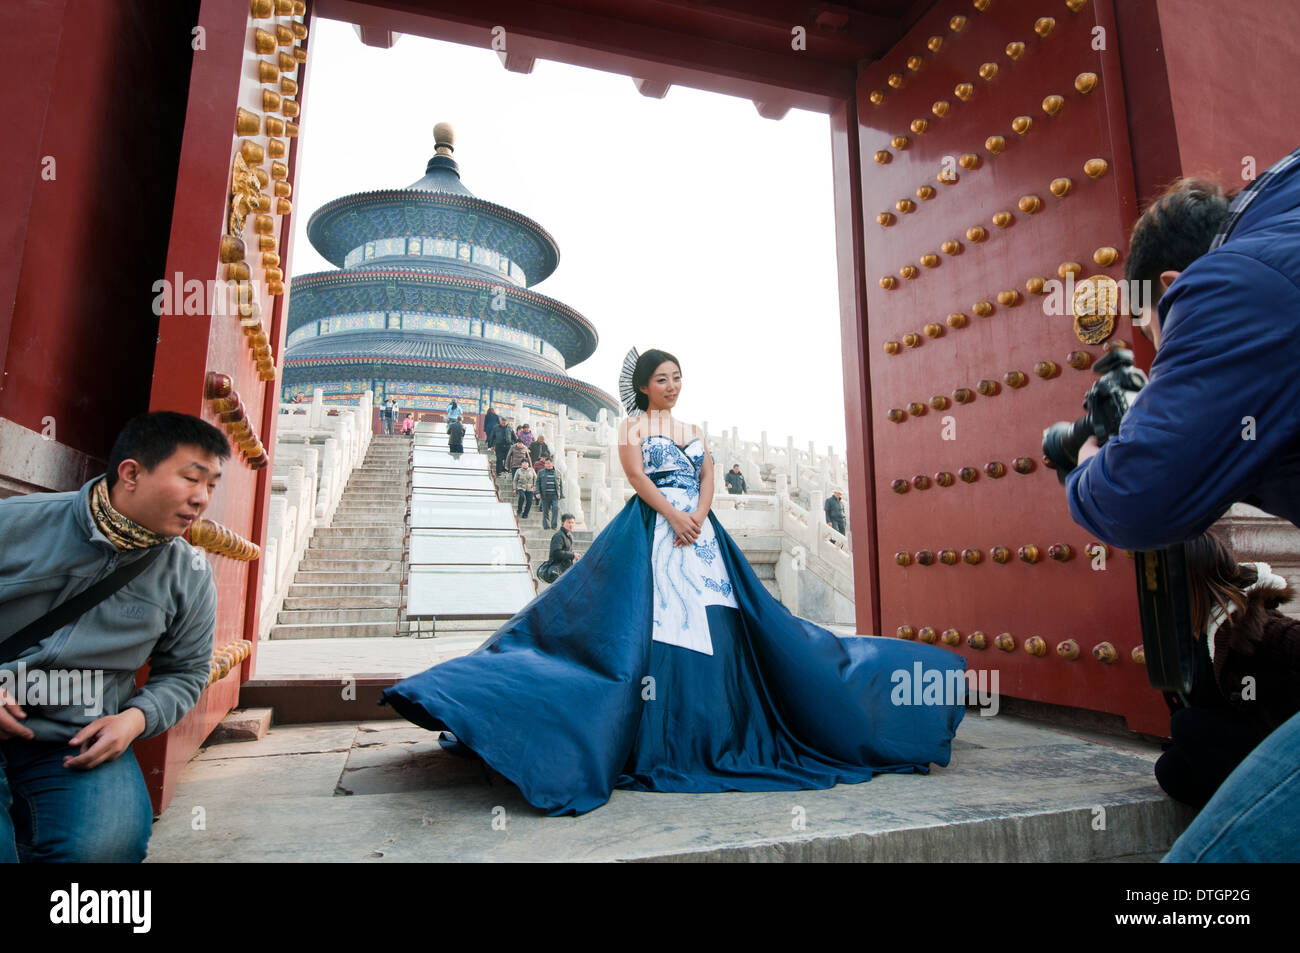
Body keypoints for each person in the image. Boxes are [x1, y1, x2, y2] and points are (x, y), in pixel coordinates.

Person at [381, 347, 965, 816]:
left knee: (747, 627)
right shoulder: (631, 427)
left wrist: (700, 515)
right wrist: (671, 515)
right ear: (643, 385)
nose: (673, 384)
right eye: (663, 377)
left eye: (678, 376)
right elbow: (635, 478)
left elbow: (707, 475)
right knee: (638, 627)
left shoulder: (691, 427)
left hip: (702, 534)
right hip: (656, 528)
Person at [1059, 151, 1300, 862]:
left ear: (1171, 286)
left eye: (1154, 328)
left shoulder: (1231, 284)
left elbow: (1140, 497)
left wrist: (1086, 468)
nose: (1161, 351)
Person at [0, 411, 229, 861]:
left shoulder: (190, 574)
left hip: (74, 737)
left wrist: (135, 719)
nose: (202, 499)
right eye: (190, 478)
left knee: (104, 849)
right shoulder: (14, 524)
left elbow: (184, 672)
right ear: (130, 473)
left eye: (212, 486)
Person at [1153, 532, 1300, 809]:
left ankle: (1266, 810)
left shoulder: (1245, 620)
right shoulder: (1193, 627)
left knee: (1188, 724)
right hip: (1246, 736)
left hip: (1276, 736)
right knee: (1172, 770)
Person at [535, 457, 564, 530]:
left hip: (554, 495)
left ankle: (554, 525)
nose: (547, 465)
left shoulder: (558, 472)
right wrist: (537, 492)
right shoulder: (541, 472)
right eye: (546, 463)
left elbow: (560, 484)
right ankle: (546, 526)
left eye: (548, 463)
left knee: (555, 508)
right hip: (545, 495)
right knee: (545, 511)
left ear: (552, 463)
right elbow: (537, 483)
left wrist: (561, 495)